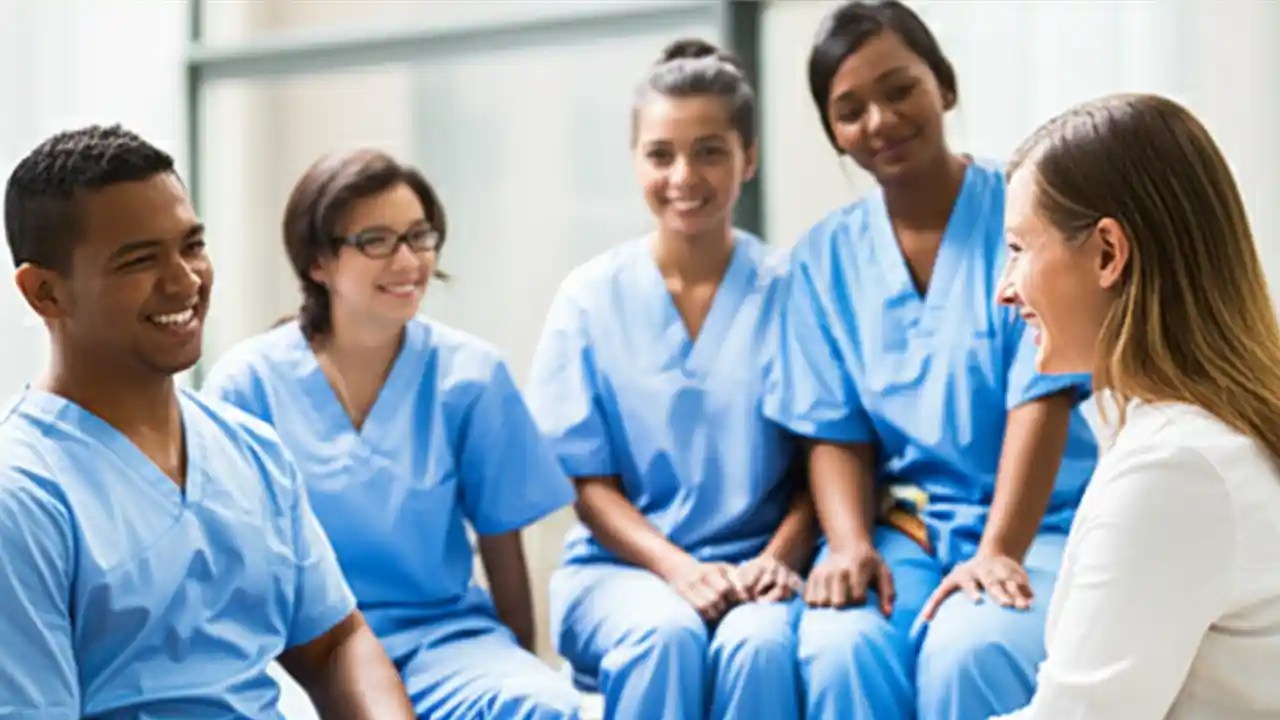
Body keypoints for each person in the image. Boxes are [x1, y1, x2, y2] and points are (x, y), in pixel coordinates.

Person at [0, 124, 415, 718]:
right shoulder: (22, 497)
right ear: (44, 293)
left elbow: (334, 644)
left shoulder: (250, 451)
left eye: (192, 246)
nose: (185, 281)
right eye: (139, 260)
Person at [762, 2, 1100, 718]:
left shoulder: (1026, 210)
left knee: (971, 647)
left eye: (898, 89)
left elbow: (1040, 397)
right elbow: (834, 431)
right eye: (849, 110)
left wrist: (998, 549)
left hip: (1041, 523)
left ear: (943, 86)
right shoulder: (824, 259)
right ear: (833, 133)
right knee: (837, 645)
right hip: (908, 529)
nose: (879, 121)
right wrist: (850, 544)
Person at [202, 148, 581, 720]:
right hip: (301, 654)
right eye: (376, 241)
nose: (408, 260)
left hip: (445, 644)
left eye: (420, 236)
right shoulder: (248, 385)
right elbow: (223, 564)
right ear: (318, 262)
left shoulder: (470, 376)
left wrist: (522, 661)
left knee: (541, 705)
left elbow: (504, 547)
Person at [526, 38, 817, 720]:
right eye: (661, 154)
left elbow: (826, 461)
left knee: (761, 648)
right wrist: (677, 569)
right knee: (664, 636)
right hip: (621, 571)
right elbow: (585, 483)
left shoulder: (794, 290)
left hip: (760, 567)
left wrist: (777, 558)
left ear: (749, 157)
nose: (684, 174)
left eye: (710, 150)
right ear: (636, 161)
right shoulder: (589, 299)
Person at [994, 93, 1280, 719]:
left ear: (1107, 253)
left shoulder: (1175, 471)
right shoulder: (1206, 435)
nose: (1004, 291)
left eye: (1018, 249)